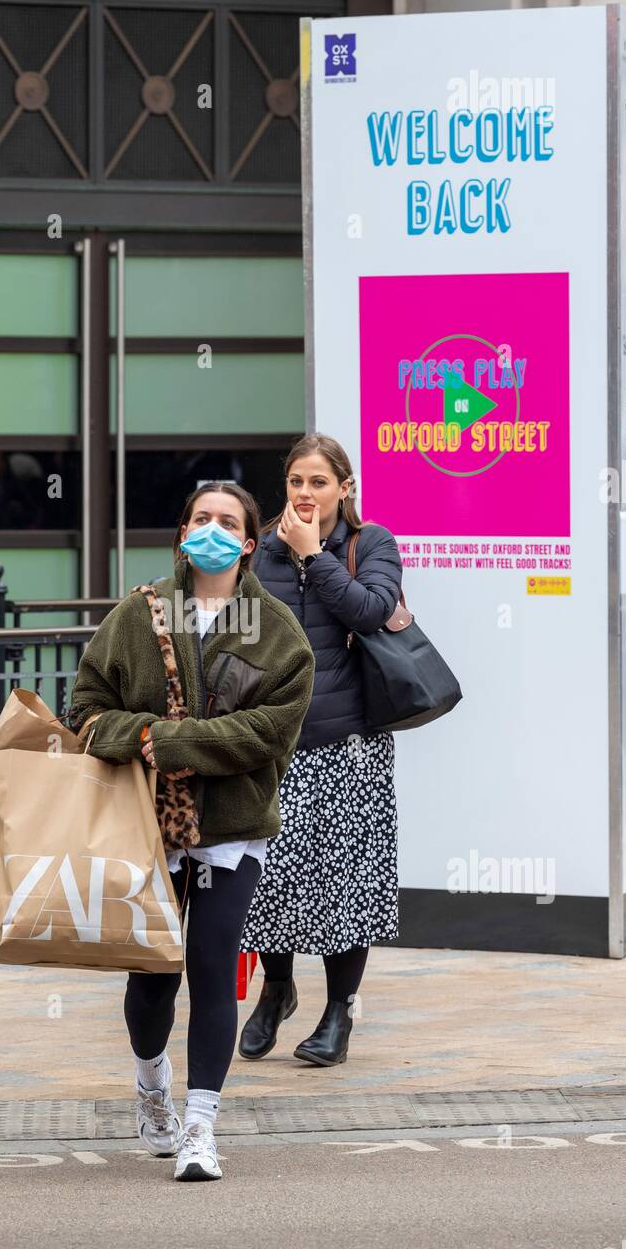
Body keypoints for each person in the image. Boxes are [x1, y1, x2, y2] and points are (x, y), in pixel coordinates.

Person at [69, 482, 314, 1182]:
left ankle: (201, 1125)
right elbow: (84, 710)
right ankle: (152, 1084)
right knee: (151, 978)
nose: (211, 528)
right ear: (182, 533)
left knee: (213, 967)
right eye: (200, 517)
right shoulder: (136, 617)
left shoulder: (278, 634)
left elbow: (270, 733)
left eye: (227, 521)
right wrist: (139, 734)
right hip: (145, 829)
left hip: (233, 829)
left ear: (248, 541)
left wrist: (178, 742)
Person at [239, 435, 403, 1067]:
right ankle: (276, 988)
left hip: (350, 745)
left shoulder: (372, 544)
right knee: (268, 879)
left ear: (345, 488)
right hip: (274, 744)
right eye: (295, 483)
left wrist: (315, 556)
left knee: (346, 886)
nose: (305, 494)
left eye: (318, 482)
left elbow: (370, 611)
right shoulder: (262, 552)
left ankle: (339, 1011)